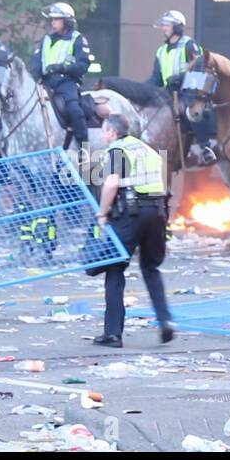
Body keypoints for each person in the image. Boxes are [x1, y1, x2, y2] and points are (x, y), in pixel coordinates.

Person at [93, 114, 173, 348]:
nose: (101, 136)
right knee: (151, 268)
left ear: (112, 133)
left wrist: (102, 212)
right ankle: (166, 320)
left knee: (115, 268)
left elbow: (111, 183)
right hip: (157, 213)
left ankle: (113, 334)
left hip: (131, 213)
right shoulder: (147, 149)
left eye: (103, 131)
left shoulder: (117, 150)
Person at [146, 10, 216, 166]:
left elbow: (199, 70)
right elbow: (156, 77)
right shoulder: (161, 50)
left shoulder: (189, 45)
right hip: (168, 92)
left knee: (191, 112)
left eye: (166, 25)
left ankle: (206, 148)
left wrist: (179, 78)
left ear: (176, 27)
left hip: (188, 90)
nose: (163, 29)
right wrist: (142, 89)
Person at [30, 2, 93, 152]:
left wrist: (63, 68)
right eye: (52, 19)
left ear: (67, 21)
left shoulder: (77, 39)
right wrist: (35, 75)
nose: (53, 22)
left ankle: (84, 148)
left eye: (56, 19)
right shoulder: (46, 40)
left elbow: (83, 65)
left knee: (74, 110)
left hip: (66, 83)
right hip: (45, 83)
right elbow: (36, 62)